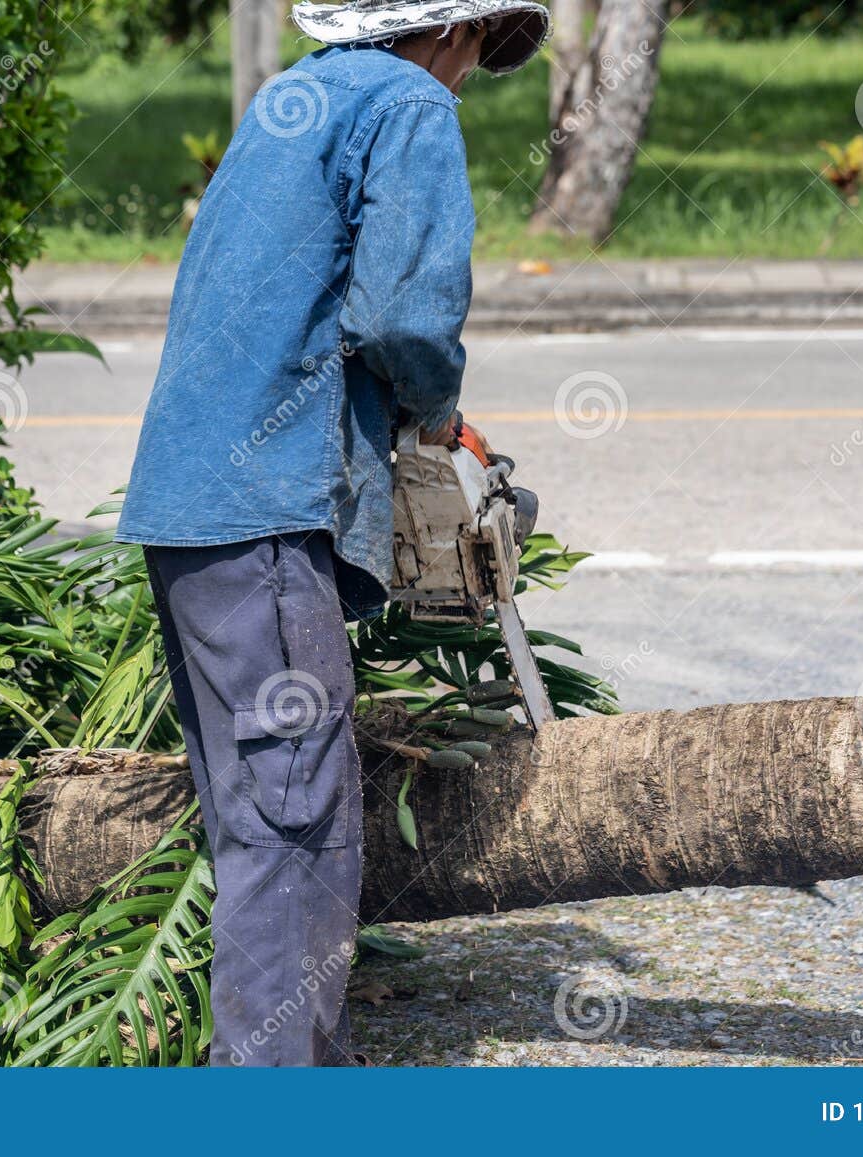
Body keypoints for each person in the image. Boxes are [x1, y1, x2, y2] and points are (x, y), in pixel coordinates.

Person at [115, 0, 550, 1066]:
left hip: (190, 510)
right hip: (267, 512)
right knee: (297, 828)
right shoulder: (408, 101)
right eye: (480, 54)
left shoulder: (287, 99)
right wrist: (439, 418)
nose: (468, 78)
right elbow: (402, 315)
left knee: (253, 819)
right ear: (454, 32)